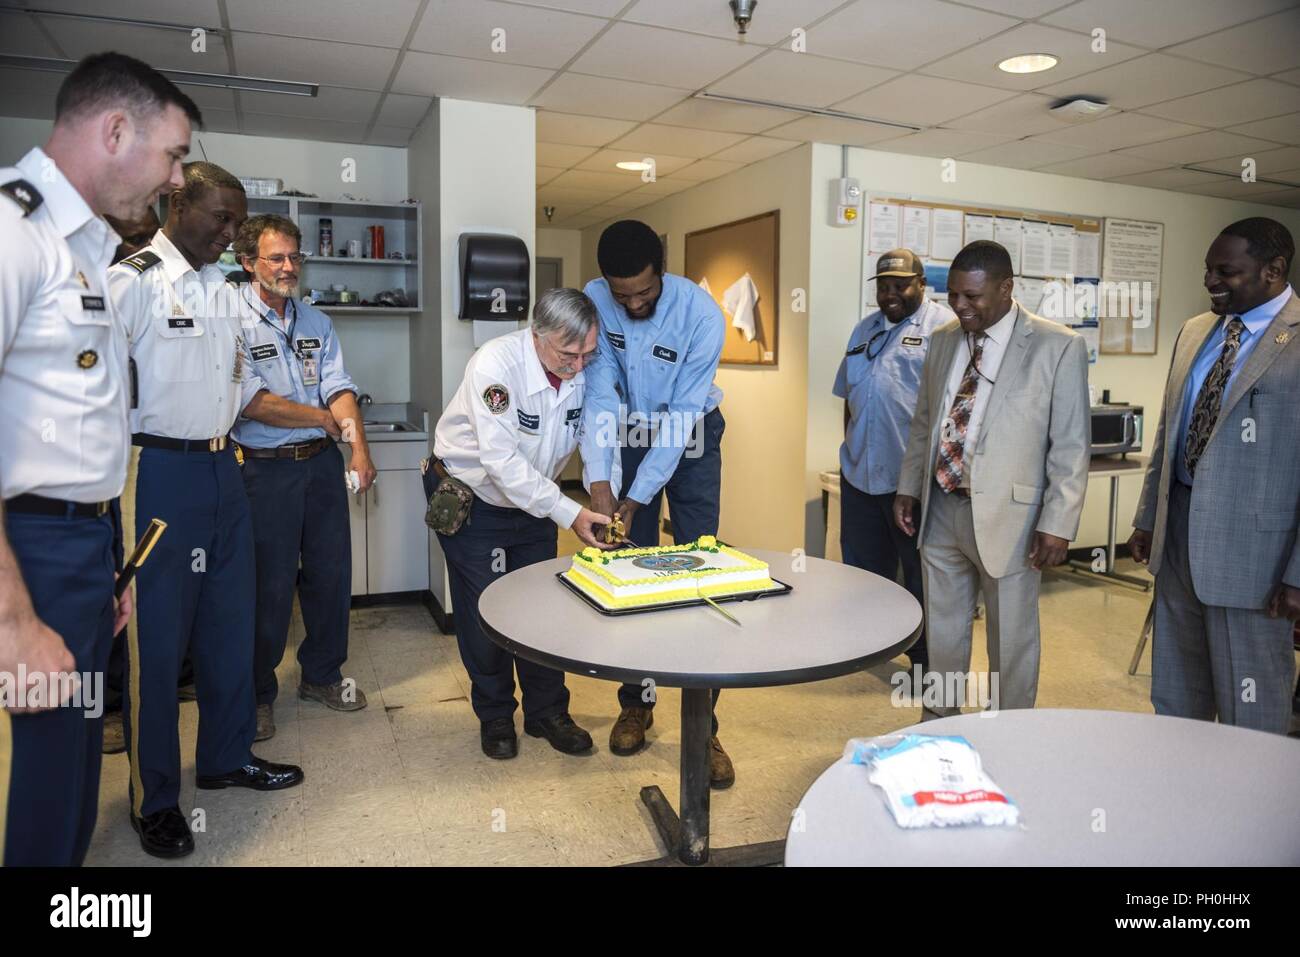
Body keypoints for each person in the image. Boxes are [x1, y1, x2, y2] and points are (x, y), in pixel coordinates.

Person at [0, 51, 196, 866]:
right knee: (50, 774)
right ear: (116, 129)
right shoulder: (16, 231)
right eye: (174, 154)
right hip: (33, 553)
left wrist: (105, 564)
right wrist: (13, 621)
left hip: (82, 545)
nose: (178, 180)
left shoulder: (88, 245)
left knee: (80, 758)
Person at [109, 162, 304, 858]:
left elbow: (244, 384)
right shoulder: (130, 281)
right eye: (220, 217)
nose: (231, 232)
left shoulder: (225, 293)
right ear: (175, 201)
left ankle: (225, 757)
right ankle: (155, 797)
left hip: (227, 468)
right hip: (159, 472)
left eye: (237, 220)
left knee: (232, 625)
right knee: (157, 646)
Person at [894, 240, 1090, 716]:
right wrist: (907, 485)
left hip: (1013, 517)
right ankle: (938, 721)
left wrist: (1058, 523)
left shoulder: (1057, 345)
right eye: (954, 295)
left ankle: (1011, 728)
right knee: (941, 628)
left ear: (1006, 289)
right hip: (942, 506)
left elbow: (1070, 445)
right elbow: (925, 421)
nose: (960, 306)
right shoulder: (943, 340)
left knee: (1011, 636)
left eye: (973, 297)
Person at [1128, 217, 1300, 734]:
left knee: (1251, 709)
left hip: (1258, 561)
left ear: (1274, 271)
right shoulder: (1195, 331)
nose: (1210, 282)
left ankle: (1252, 808)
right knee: (1177, 694)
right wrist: (1146, 519)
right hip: (1178, 535)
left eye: (1226, 271)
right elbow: (1169, 434)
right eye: (1207, 270)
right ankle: (1185, 794)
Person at [580, 220, 734, 788]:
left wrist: (637, 494)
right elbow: (597, 393)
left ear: (663, 270)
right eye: (623, 295)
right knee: (631, 570)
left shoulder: (701, 315)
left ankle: (706, 724)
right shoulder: (597, 300)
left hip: (690, 436)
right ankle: (636, 704)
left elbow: (680, 422)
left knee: (700, 571)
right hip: (625, 428)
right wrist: (600, 483)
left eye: (644, 292)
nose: (634, 303)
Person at [433, 288, 615, 758]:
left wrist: (600, 490)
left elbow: (595, 430)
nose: (578, 366)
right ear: (537, 335)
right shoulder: (495, 366)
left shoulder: (582, 364)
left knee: (540, 607)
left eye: (588, 354)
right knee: (485, 611)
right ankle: (495, 715)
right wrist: (571, 513)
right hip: (476, 500)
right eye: (568, 354)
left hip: (536, 502)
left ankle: (547, 713)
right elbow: (501, 463)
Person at [232, 214, 375, 741]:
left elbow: (339, 385)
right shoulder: (232, 319)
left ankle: (321, 675)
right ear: (249, 263)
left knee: (331, 576)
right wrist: (324, 418)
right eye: (277, 258)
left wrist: (357, 445)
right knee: (268, 587)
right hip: (264, 473)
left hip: (320, 466)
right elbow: (252, 402)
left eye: (294, 256)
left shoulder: (316, 321)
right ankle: (258, 693)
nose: (289, 267)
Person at [833, 249, 951, 672]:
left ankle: (924, 659)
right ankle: (871, 645)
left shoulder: (944, 329)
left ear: (922, 283)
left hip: (911, 482)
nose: (891, 293)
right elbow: (849, 397)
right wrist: (853, 446)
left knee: (919, 574)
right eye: (884, 285)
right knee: (864, 572)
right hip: (859, 473)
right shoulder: (863, 330)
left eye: (901, 284)